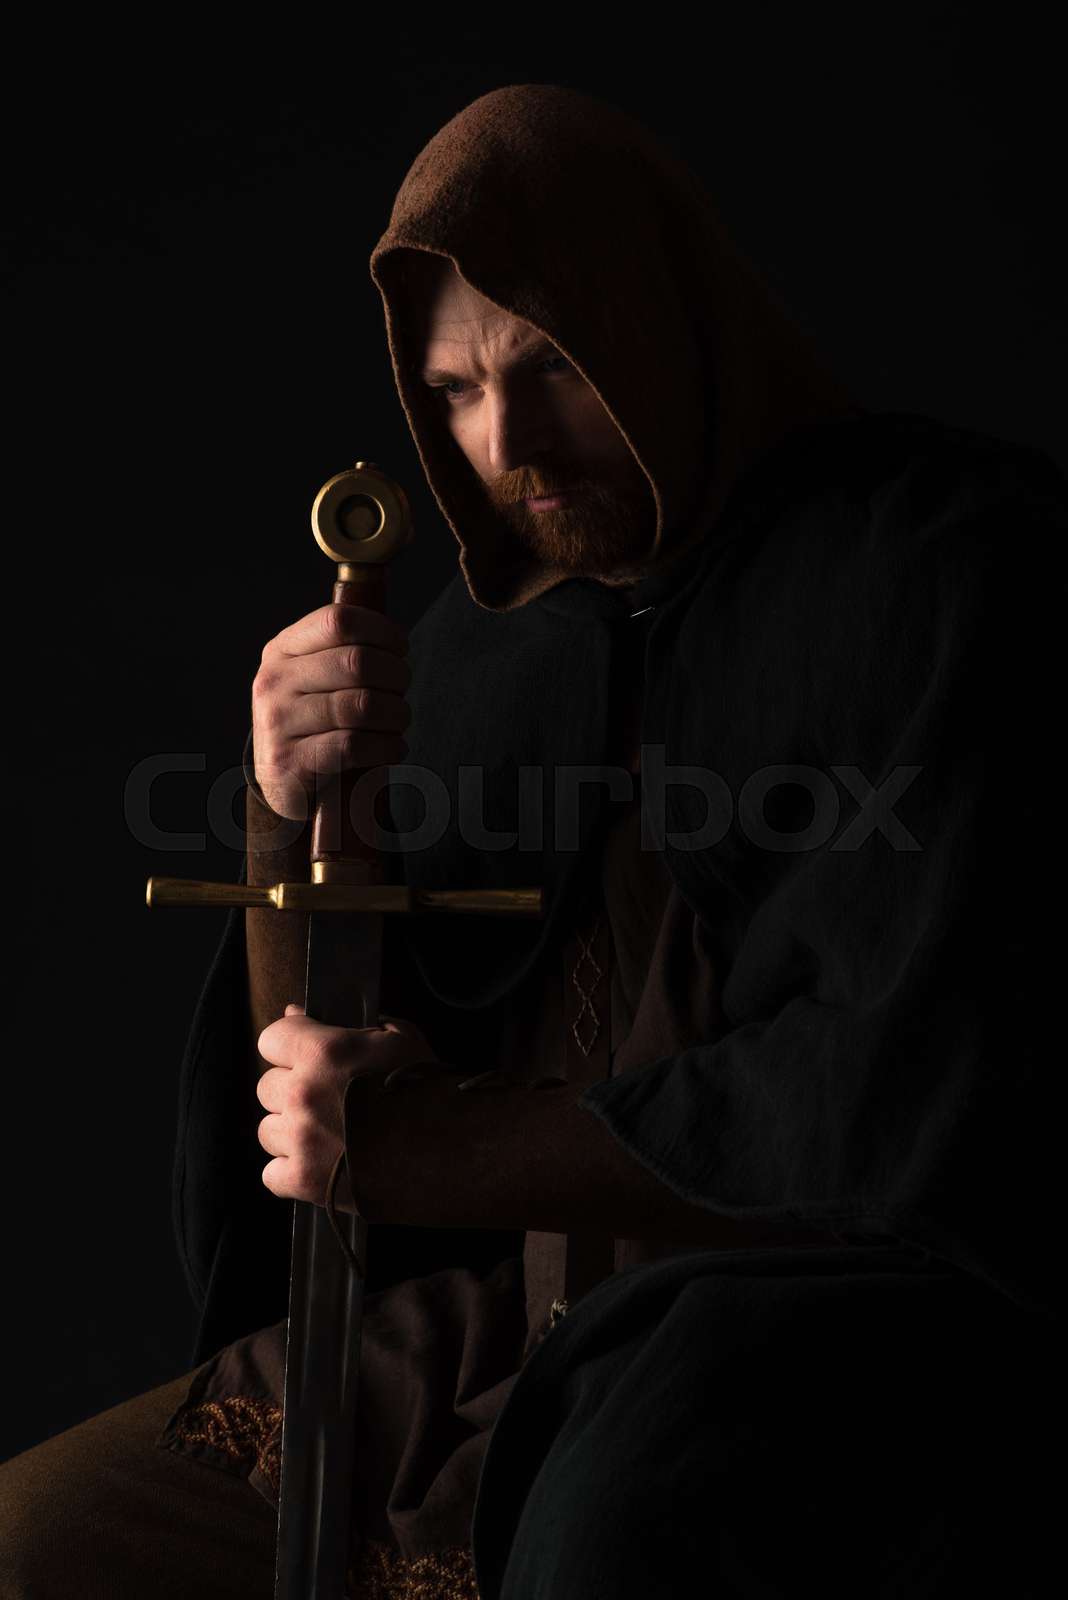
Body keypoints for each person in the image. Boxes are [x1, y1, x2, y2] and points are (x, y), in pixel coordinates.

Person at [2, 81, 1064, 1600]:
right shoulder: (498, 646)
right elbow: (371, 1045)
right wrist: (295, 807)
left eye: (552, 363)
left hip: (818, 1326)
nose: (511, 441)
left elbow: (914, 1089)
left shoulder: (949, 566)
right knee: (46, 1548)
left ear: (665, 320)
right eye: (453, 391)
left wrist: (447, 1143)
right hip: (507, 1331)